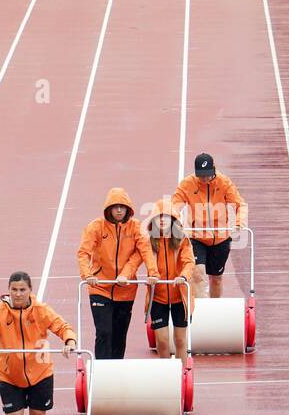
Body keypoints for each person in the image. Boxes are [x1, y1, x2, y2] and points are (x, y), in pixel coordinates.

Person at [0, 271, 77, 415]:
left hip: (40, 372)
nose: (18, 294)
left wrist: (70, 341)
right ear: (9, 290)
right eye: (14, 289)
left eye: (22, 289)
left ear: (30, 290)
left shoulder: (41, 310)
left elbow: (63, 327)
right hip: (10, 375)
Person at [77, 188, 158, 361]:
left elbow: (144, 250)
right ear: (108, 209)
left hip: (125, 290)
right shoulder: (96, 227)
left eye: (122, 206)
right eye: (115, 207)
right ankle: (100, 371)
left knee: (119, 335)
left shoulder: (136, 227)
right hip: (99, 287)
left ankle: (115, 371)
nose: (119, 210)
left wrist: (150, 272)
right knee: (104, 332)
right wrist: (87, 275)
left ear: (128, 208)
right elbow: (83, 252)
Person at [172, 153, 247, 300]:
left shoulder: (224, 183)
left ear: (214, 169)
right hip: (196, 237)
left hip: (220, 238)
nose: (205, 179)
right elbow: (174, 205)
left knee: (216, 279)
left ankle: (214, 308)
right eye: (201, 176)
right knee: (197, 274)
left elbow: (240, 205)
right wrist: (174, 221)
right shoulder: (187, 184)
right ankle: (201, 311)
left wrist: (239, 222)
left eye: (208, 175)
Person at [144, 197, 195, 361]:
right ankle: (166, 372)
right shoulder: (149, 242)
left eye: (166, 217)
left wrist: (183, 276)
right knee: (163, 341)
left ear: (173, 219)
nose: (162, 220)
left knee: (180, 340)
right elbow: (137, 260)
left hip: (179, 296)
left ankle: (182, 372)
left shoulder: (182, 240)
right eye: (159, 217)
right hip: (158, 297)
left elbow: (189, 262)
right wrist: (152, 275)